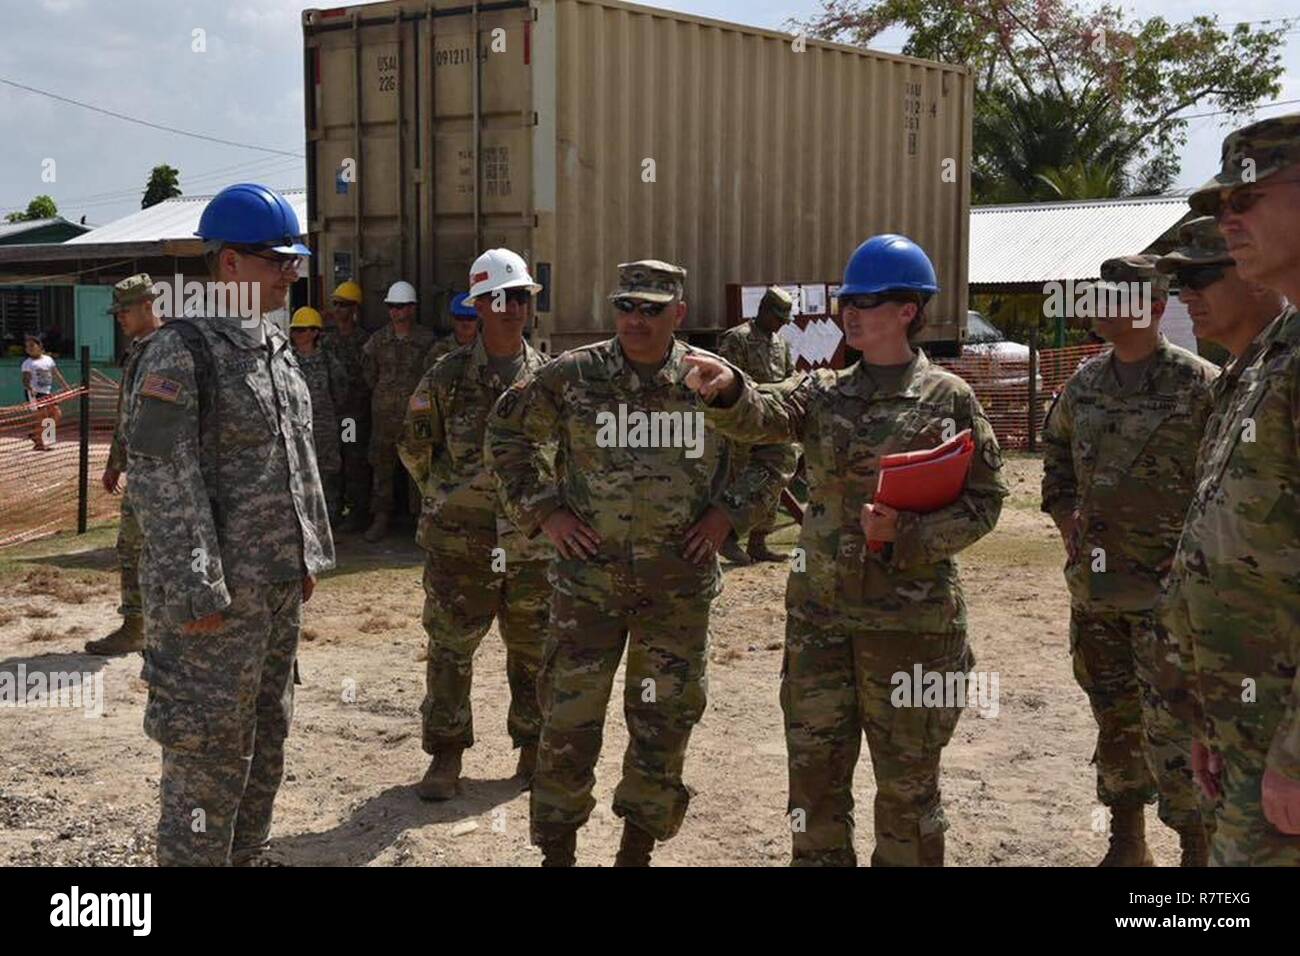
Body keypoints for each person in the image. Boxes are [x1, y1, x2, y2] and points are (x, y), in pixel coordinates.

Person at [683, 234, 1008, 866]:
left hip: (910, 626)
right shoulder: (826, 392)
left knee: (908, 791)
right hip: (821, 626)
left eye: (867, 300)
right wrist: (726, 388)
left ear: (908, 309)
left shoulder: (948, 399)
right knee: (814, 784)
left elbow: (986, 500)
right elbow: (765, 412)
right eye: (846, 301)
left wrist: (908, 536)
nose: (849, 312)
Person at [487, 259, 793, 866]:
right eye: (627, 305)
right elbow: (506, 436)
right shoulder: (573, 376)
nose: (636, 319)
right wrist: (546, 512)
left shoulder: (710, 380)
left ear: (678, 314)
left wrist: (729, 515)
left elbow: (774, 445)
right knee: (567, 722)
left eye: (652, 309)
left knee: (663, 720)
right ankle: (558, 852)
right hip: (586, 589)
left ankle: (638, 847)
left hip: (675, 590)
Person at [123, 182, 335, 866]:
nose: (291, 272)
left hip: (271, 596)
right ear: (233, 266)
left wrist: (307, 556)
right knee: (206, 764)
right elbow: (160, 478)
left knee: (265, 743)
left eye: (293, 260)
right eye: (278, 260)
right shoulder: (180, 352)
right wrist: (200, 593)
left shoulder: (273, 348)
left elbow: (295, 461)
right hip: (212, 611)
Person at [1039, 255, 1217, 866]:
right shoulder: (1084, 386)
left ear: (1157, 308)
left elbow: (1227, 484)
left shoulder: (1200, 385)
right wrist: (1064, 515)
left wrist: (1197, 555)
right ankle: (1127, 839)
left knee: (1178, 724)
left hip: (1172, 599)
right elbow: (1055, 451)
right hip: (1096, 593)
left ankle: (1197, 847)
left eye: (1120, 298)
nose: (1103, 308)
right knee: (1114, 720)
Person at [1168, 113, 1300, 864]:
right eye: (1223, 206)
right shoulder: (1274, 356)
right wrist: (1213, 713)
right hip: (1249, 718)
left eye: (1246, 200)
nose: (1229, 221)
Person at [398, 249, 554, 801]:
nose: (513, 308)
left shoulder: (548, 381)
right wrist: (449, 500)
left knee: (535, 650)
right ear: (479, 304)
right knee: (450, 649)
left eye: (521, 297)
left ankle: (533, 749)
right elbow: (415, 448)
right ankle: (446, 755)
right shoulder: (445, 377)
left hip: (531, 546)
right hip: (460, 544)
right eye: (501, 298)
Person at [85, 274, 162, 656]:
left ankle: (146, 628)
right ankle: (138, 626)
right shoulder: (137, 350)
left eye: (125, 310)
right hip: (141, 471)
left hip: (163, 473)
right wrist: (116, 462)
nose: (119, 318)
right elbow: (127, 412)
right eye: (117, 312)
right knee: (132, 548)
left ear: (148, 306)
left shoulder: (167, 350)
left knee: (147, 548)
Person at [717, 285, 798, 564]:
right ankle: (728, 539)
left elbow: (792, 379)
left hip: (773, 422)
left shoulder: (782, 344)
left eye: (783, 321)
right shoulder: (738, 339)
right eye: (777, 318)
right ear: (763, 310)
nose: (779, 325)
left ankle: (759, 541)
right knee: (740, 481)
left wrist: (776, 390)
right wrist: (771, 389)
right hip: (743, 422)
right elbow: (731, 382)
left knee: (773, 481)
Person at [361, 280, 436, 542]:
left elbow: (432, 375)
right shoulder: (377, 341)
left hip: (414, 416)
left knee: (419, 468)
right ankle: (381, 517)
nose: (396, 312)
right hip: (383, 416)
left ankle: (420, 520)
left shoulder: (426, 340)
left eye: (402, 306)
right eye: (392, 306)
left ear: (412, 308)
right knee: (382, 467)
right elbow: (369, 374)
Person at [321, 280, 372, 532]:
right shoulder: (326, 340)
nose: (338, 310)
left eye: (344, 305)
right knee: (333, 461)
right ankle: (334, 510)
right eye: (336, 304)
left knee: (353, 460)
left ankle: (357, 512)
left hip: (353, 414)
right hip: (332, 413)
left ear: (354, 309)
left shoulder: (364, 340)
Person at [289, 307, 349, 521]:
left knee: (328, 474)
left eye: (303, 330)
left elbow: (341, 391)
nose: (297, 334)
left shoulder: (328, 361)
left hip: (324, 427)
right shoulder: (286, 361)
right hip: (295, 428)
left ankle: (330, 519)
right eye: (295, 330)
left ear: (315, 332)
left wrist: (335, 420)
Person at [21, 333, 62, 451]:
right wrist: (31, 389)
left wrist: (65, 386)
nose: (29, 349)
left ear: (40, 346)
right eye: (27, 347)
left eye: (32, 346)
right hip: (35, 393)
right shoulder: (27, 363)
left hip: (46, 392)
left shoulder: (48, 359)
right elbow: (25, 380)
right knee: (42, 417)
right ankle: (40, 443)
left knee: (56, 414)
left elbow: (56, 374)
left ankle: (36, 435)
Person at [425, 292, 479, 368]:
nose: (466, 323)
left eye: (471, 317)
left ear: (479, 318)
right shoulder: (438, 349)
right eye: (460, 317)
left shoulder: (490, 348)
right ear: (452, 319)